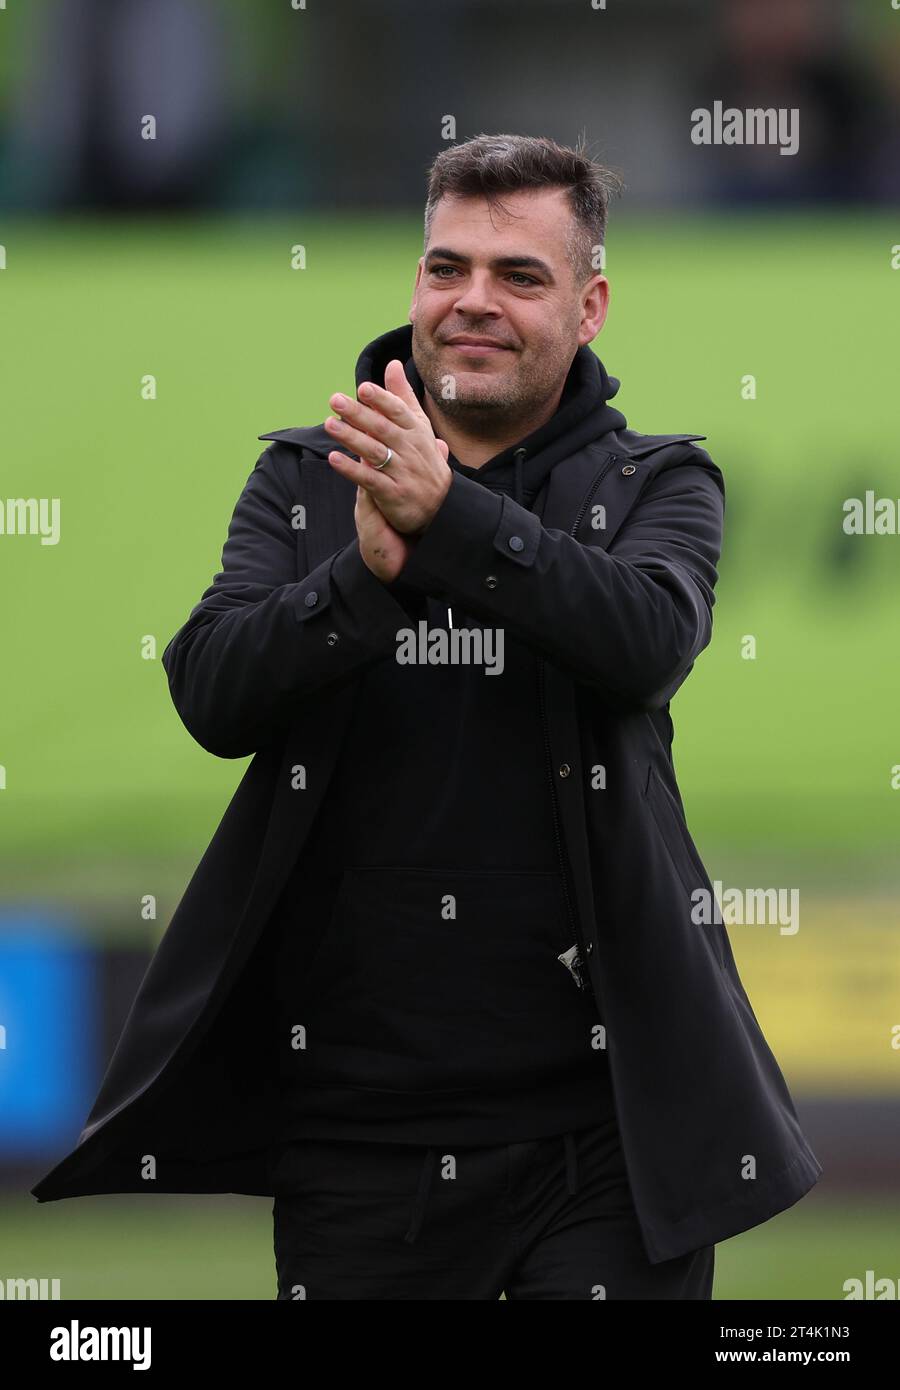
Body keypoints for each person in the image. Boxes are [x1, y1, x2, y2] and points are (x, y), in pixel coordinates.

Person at [31, 133, 822, 1301]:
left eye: (519, 276)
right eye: (446, 268)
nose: (473, 302)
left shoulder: (659, 483)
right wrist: (363, 578)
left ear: (591, 305)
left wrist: (450, 523)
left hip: (604, 1136)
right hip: (357, 1135)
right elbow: (210, 690)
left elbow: (644, 644)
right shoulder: (307, 478)